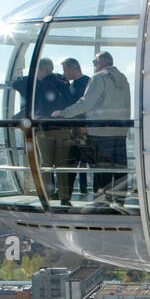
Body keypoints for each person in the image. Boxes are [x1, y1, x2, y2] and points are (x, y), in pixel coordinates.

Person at [53, 52, 131, 202]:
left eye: (94, 62)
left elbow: (86, 103)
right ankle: (120, 201)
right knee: (120, 169)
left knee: (102, 171)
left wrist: (64, 113)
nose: (93, 65)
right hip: (120, 131)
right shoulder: (123, 80)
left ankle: (102, 202)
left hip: (101, 132)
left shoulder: (99, 78)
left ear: (101, 63)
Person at [12, 58, 74, 202]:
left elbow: (16, 83)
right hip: (56, 129)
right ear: (43, 70)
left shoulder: (34, 84)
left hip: (45, 129)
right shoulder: (53, 82)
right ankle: (61, 196)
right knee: (58, 164)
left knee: (49, 163)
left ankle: (49, 195)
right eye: (48, 70)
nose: (50, 72)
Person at [59, 58, 92, 197]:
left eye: (65, 70)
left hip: (81, 129)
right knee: (74, 162)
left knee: (78, 161)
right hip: (74, 129)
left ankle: (68, 195)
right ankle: (68, 195)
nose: (64, 73)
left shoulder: (87, 83)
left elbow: (85, 105)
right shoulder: (74, 84)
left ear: (73, 69)